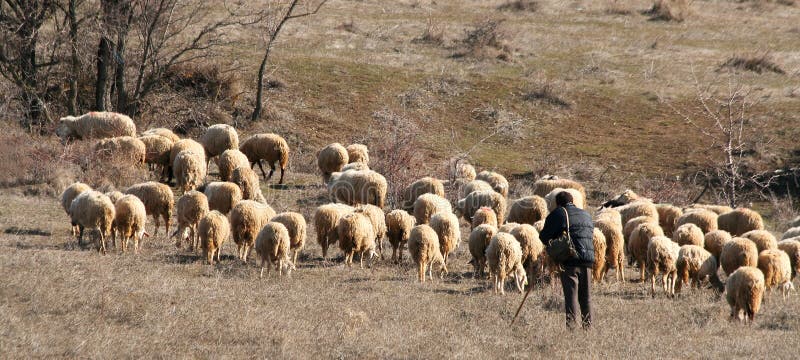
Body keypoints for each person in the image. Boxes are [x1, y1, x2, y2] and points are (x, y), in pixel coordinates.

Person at [539, 191, 595, 330]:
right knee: (586, 296)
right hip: (588, 260)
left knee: (571, 296)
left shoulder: (559, 213)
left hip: (570, 259)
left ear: (558, 203)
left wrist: (557, 239)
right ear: (572, 201)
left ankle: (571, 329)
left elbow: (544, 237)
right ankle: (588, 328)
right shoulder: (586, 214)